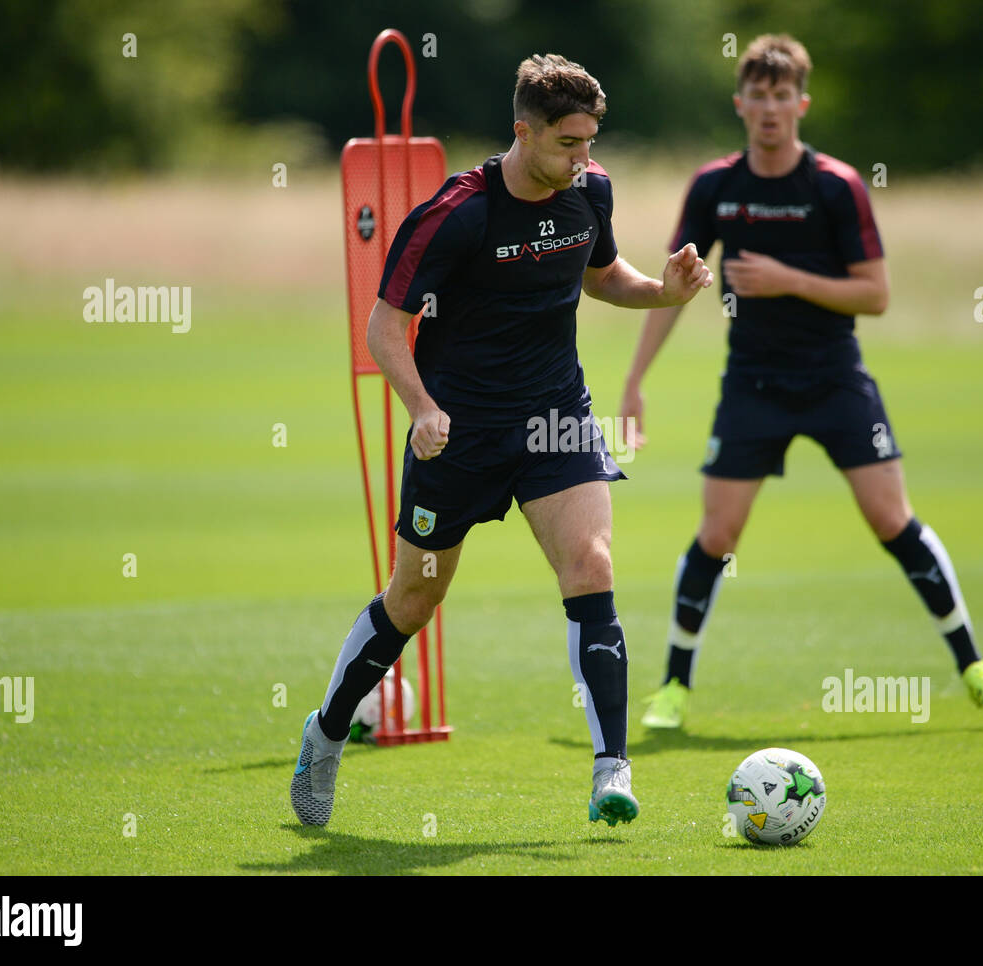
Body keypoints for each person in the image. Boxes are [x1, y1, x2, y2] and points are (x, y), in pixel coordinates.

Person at [291, 53, 713, 827]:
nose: (583, 158)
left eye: (590, 141)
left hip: (555, 416)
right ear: (523, 131)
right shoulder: (455, 214)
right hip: (456, 436)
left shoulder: (591, 190)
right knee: (414, 599)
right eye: (567, 143)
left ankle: (610, 770)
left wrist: (663, 291)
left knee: (591, 564)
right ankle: (323, 735)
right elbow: (385, 327)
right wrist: (420, 408)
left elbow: (602, 272)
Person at [625, 34, 983, 730]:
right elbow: (672, 288)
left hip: (836, 379)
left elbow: (876, 295)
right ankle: (673, 689)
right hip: (752, 383)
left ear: (801, 104)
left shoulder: (836, 185)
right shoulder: (715, 185)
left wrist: (786, 282)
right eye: (758, 96)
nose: (770, 109)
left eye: (783, 96)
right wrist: (634, 380)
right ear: (740, 103)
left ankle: (974, 667)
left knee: (890, 519)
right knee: (718, 534)